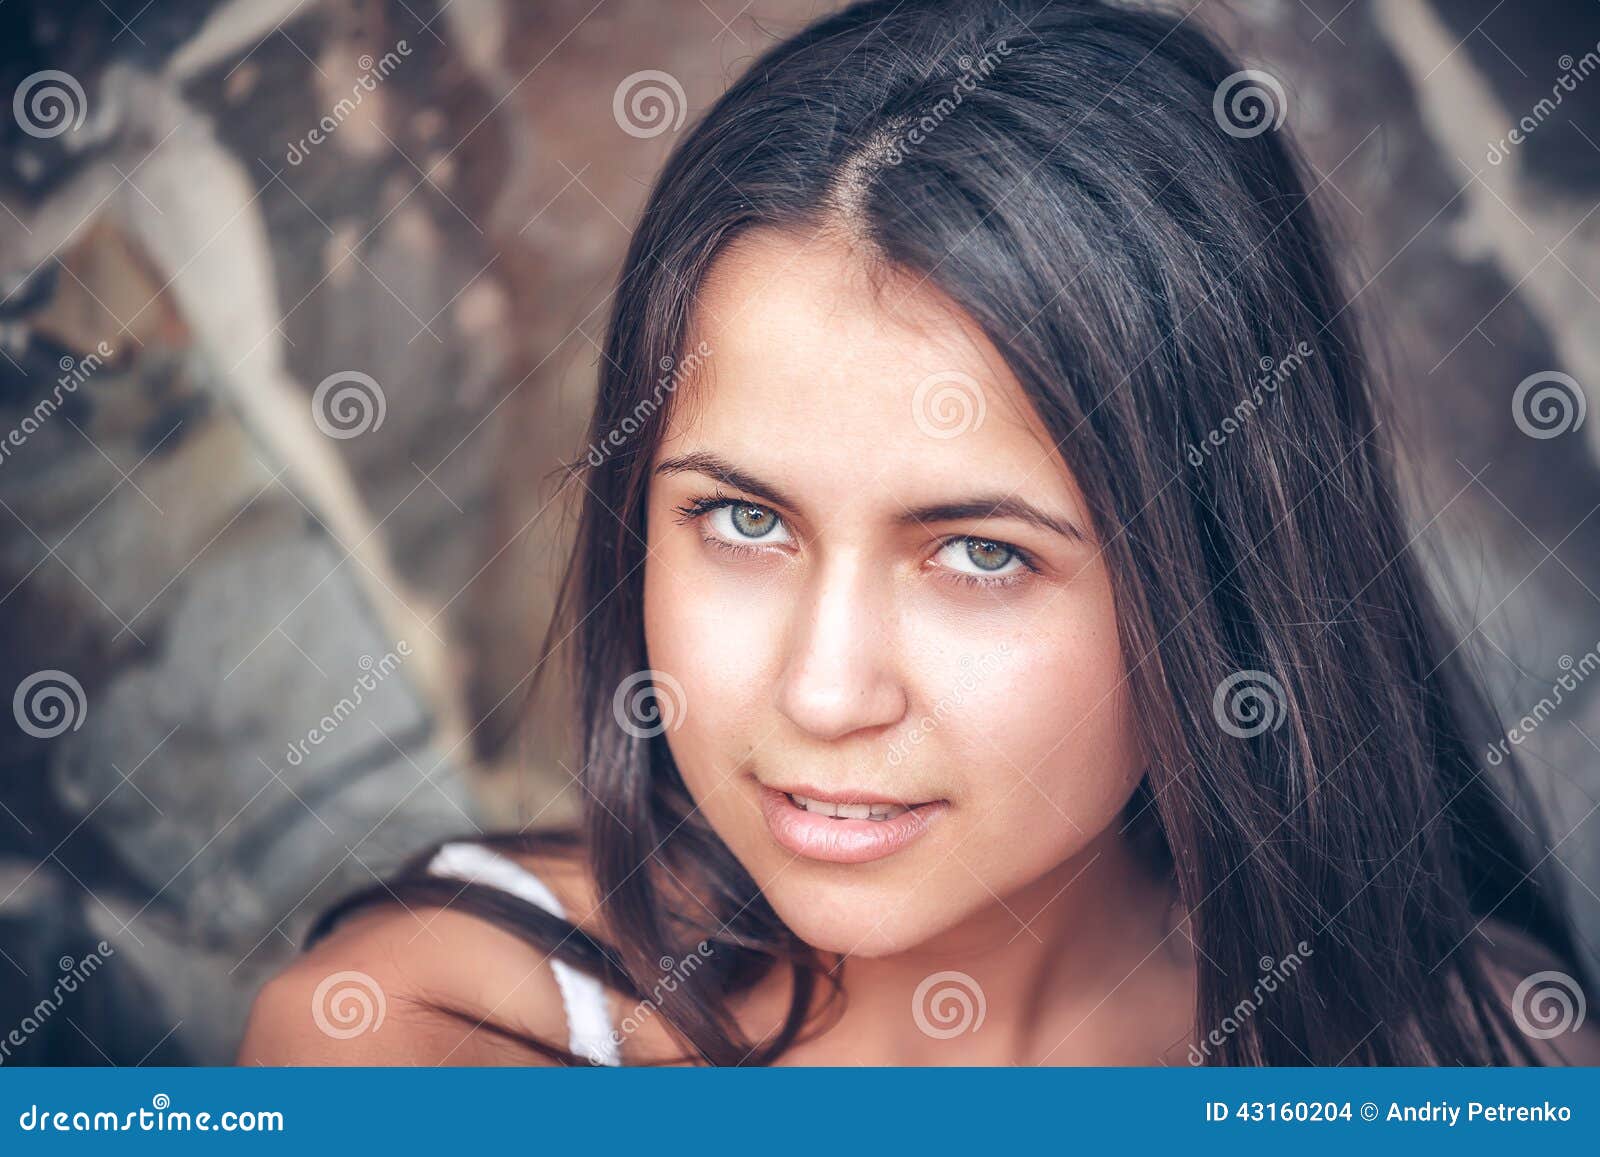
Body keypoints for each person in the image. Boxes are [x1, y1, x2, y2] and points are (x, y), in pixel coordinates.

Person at [239, 0, 1599, 1066]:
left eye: (981, 553)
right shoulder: (413, 1047)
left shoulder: (1470, 1057)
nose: (825, 692)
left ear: (1221, 570)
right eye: (743, 518)